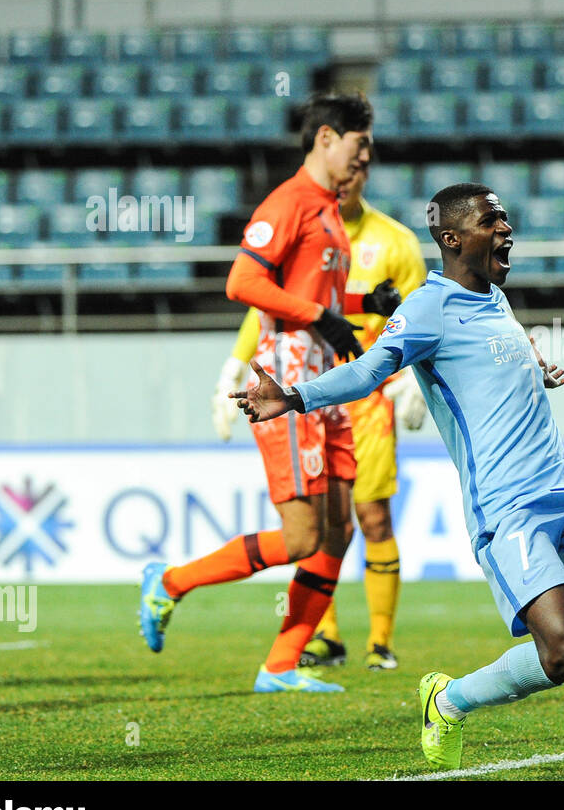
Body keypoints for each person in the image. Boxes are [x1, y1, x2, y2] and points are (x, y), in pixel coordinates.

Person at [231, 183, 564, 773]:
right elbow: (369, 372)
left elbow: (489, 362)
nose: (507, 230)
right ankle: (447, 699)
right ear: (453, 238)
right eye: (493, 221)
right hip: (509, 508)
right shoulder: (428, 307)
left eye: (506, 219)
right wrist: (294, 396)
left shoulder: (494, 297)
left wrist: (533, 369)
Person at [139, 92, 399, 694]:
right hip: (283, 383)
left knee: (339, 532)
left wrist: (363, 305)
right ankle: (170, 582)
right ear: (327, 138)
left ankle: (280, 665)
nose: (366, 159)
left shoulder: (331, 213)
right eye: (359, 146)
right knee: (305, 536)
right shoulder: (289, 202)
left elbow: (317, 302)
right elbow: (243, 281)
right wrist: (322, 313)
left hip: (324, 386)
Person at [210, 165, 428, 672]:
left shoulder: (395, 240)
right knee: (321, 519)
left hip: (370, 394)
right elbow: (265, 306)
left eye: (360, 166)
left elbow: (421, 312)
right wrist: (232, 368)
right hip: (303, 390)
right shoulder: (306, 225)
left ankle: (380, 642)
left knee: (370, 517)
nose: (347, 179)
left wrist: (414, 376)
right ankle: (323, 636)